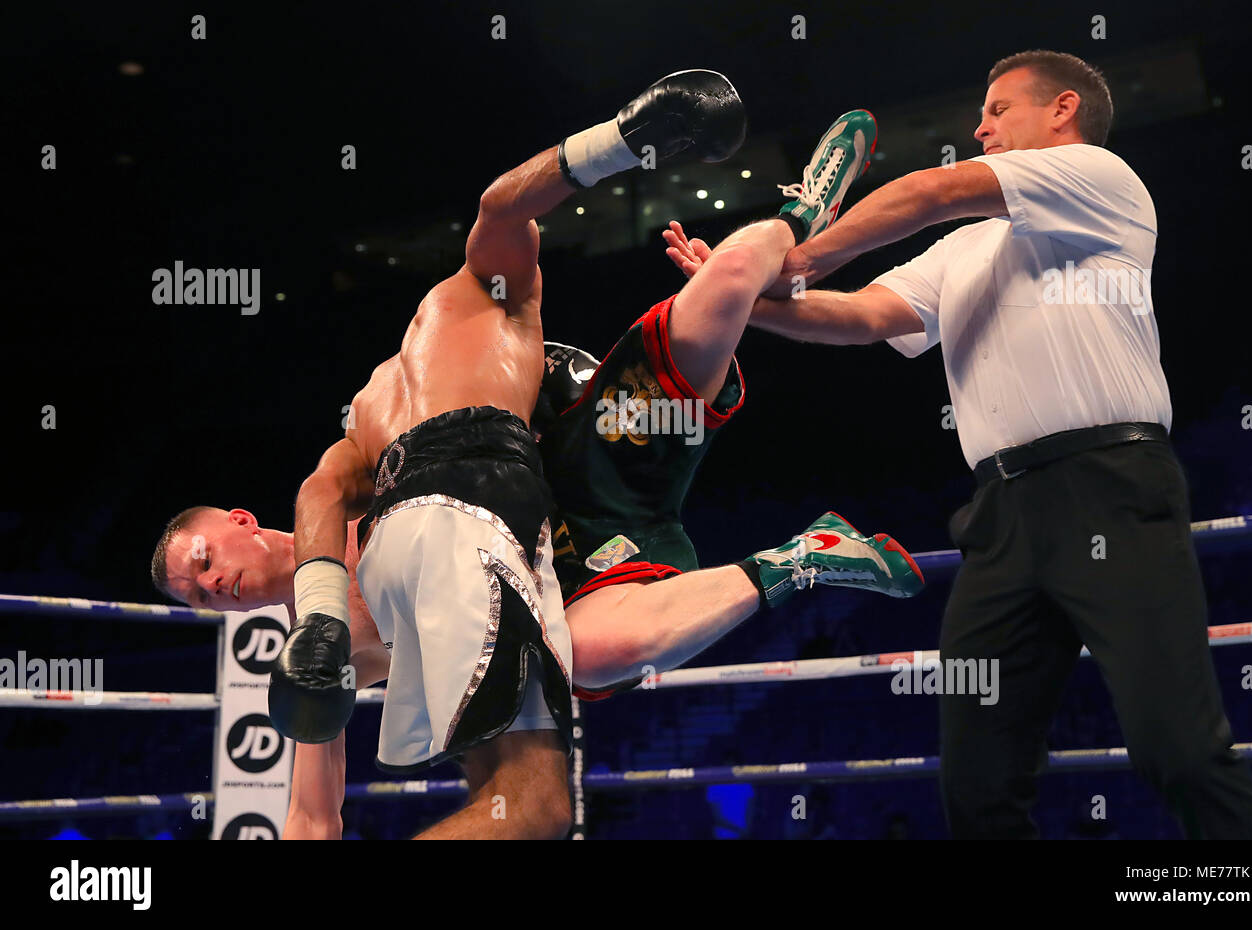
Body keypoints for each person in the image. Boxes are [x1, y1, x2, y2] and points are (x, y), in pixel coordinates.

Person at [151, 105, 926, 838]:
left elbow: (501, 213)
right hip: (562, 572)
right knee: (580, 659)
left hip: (571, 454)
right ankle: (803, 558)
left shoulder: (414, 407)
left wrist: (626, 135)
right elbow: (311, 813)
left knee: (723, 283)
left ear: (238, 521)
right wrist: (320, 627)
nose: (211, 587)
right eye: (197, 598)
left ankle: (800, 212)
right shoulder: (326, 644)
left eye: (204, 561)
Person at [668, 49, 1252, 839]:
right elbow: (858, 317)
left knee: (1180, 752)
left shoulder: (1100, 177)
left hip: (1110, 489)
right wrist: (738, 291)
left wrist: (802, 249)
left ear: (1061, 109)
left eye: (997, 109)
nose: (979, 126)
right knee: (979, 782)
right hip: (1000, 519)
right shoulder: (967, 249)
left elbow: (932, 191)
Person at [272, 69, 746, 839]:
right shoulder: (490, 295)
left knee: (506, 800)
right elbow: (503, 203)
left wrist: (319, 621)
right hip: (471, 506)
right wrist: (628, 139)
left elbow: (319, 494)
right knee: (534, 809)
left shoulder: (367, 409)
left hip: (393, 552)